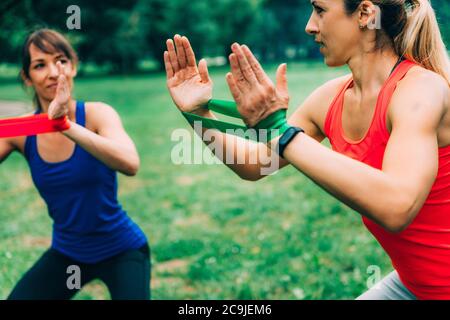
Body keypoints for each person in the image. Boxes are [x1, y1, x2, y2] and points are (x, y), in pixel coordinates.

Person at [165, 0, 450, 299]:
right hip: (414, 285)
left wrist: (281, 131)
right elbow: (254, 164)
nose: (310, 25)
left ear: (365, 14)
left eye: (320, 10)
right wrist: (199, 114)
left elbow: (397, 206)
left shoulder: (421, 90)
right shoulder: (331, 98)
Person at [1, 29, 150, 300]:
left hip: (121, 249)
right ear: (27, 78)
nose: (53, 72)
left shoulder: (97, 114)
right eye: (39, 65)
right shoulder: (20, 131)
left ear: (74, 67)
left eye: (61, 61)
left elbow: (130, 163)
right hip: (68, 253)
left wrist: (64, 125)